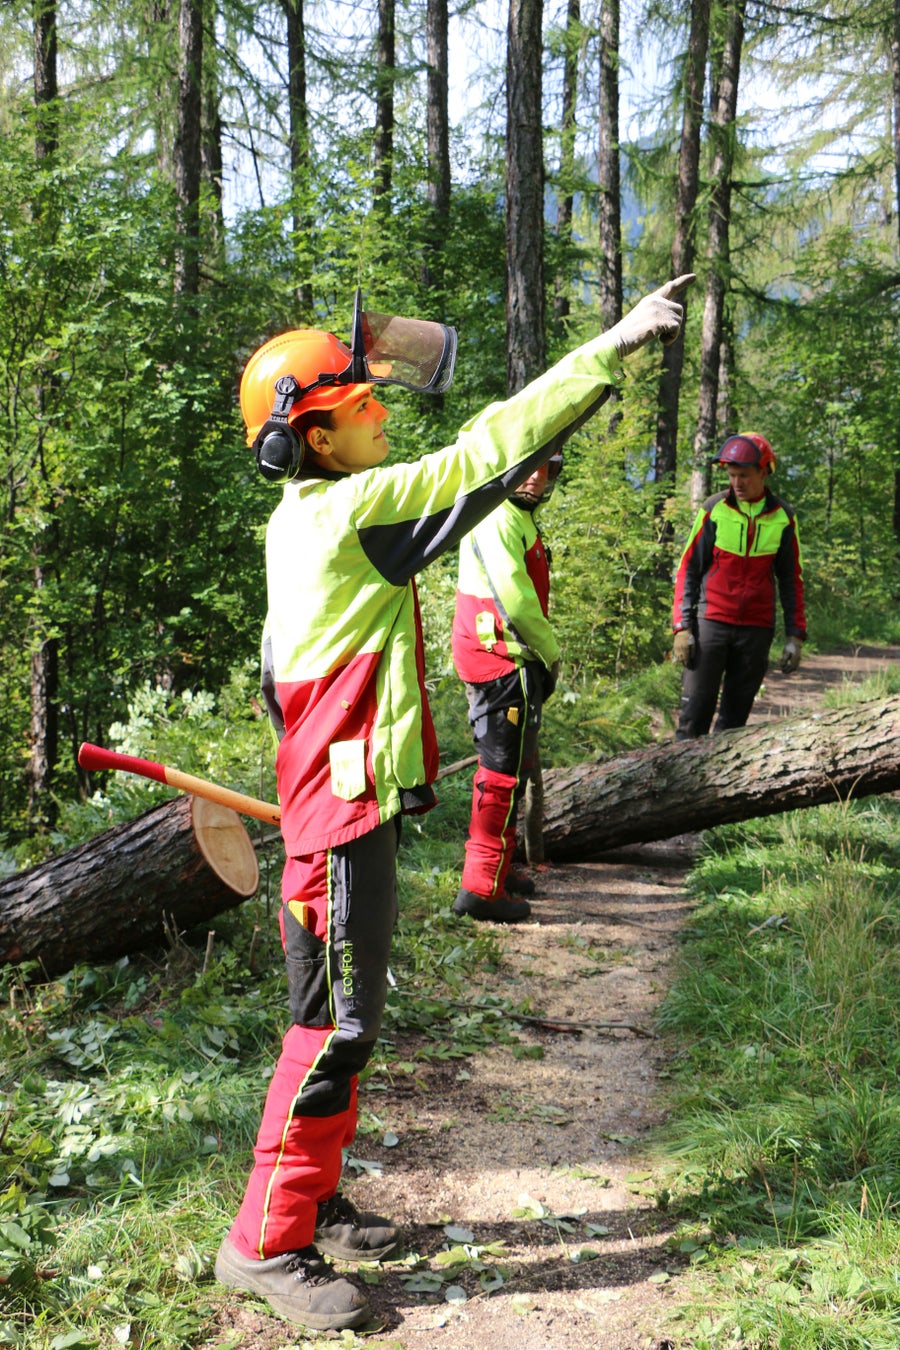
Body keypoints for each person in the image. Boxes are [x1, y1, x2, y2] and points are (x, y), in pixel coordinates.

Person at [214, 276, 694, 1332]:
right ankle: (265, 1243)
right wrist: (610, 346)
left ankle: (313, 1201)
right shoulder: (355, 515)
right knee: (332, 1027)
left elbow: (275, 678)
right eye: (360, 407)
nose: (381, 414)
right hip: (339, 821)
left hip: (341, 803)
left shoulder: (300, 520)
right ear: (312, 441)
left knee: (343, 1019)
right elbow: (486, 451)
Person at [450, 449, 563, 922]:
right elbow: (514, 601)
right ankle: (480, 888)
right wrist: (551, 655)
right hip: (502, 660)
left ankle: (498, 868)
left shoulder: (516, 514)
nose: (536, 478)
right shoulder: (498, 516)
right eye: (529, 467)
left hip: (509, 657)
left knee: (513, 766)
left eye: (546, 468)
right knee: (499, 775)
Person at [671, 431, 806, 740]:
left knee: (733, 726)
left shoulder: (784, 517)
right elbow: (688, 570)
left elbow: (791, 581)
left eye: (743, 475)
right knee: (693, 718)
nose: (736, 483)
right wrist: (682, 627)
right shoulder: (714, 509)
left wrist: (795, 636)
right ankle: (683, 771)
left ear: (764, 472)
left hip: (756, 630)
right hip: (711, 623)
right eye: (732, 476)